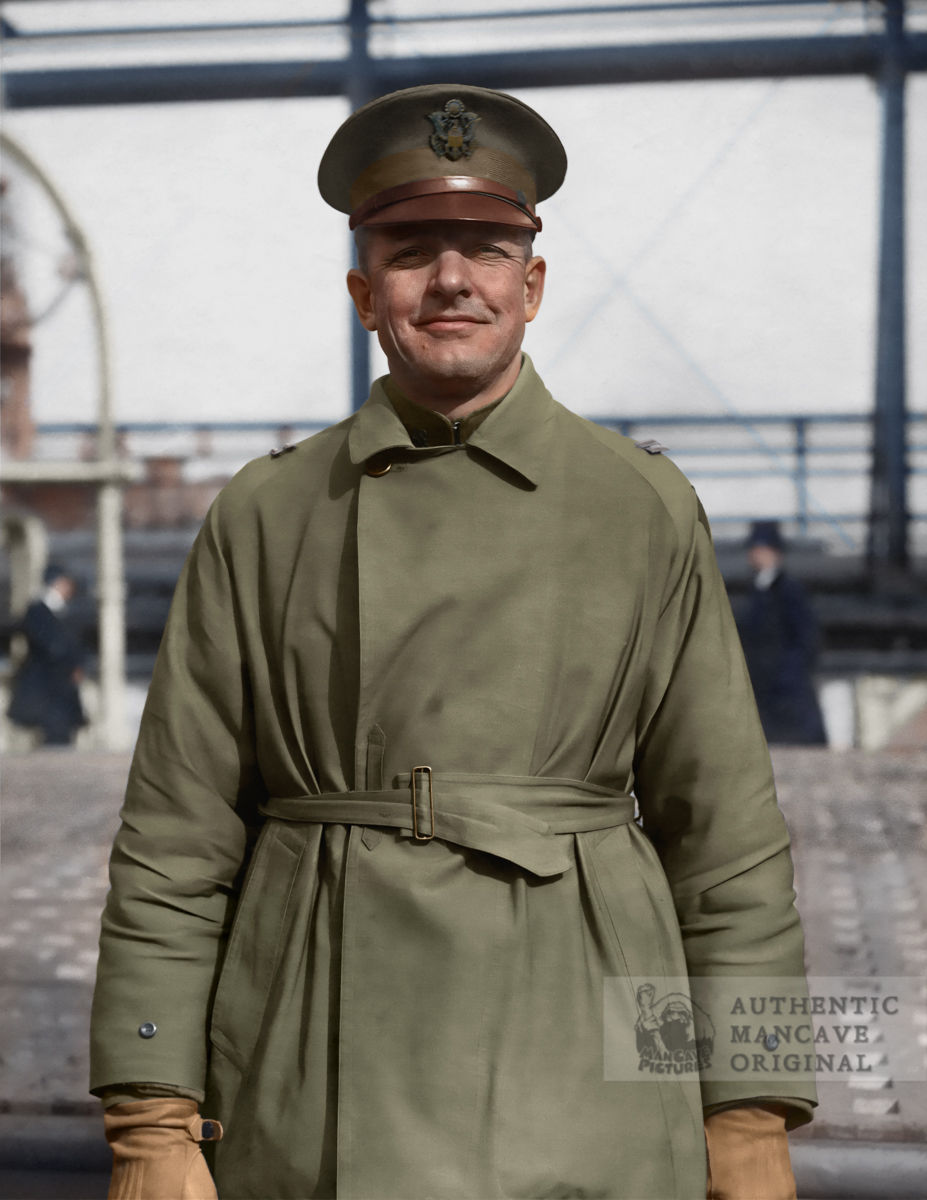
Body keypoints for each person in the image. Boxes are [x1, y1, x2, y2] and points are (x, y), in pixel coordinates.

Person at [91, 85, 815, 1200]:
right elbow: (175, 839)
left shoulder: (641, 507)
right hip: (306, 1051)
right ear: (362, 292)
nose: (451, 281)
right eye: (411, 250)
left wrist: (750, 1111)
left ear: (532, 285)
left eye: (484, 249)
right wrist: (150, 1114)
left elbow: (724, 836)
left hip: (593, 1057)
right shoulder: (266, 513)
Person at [739, 521, 828, 746]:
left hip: (788, 684)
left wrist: (791, 669)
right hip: (764, 681)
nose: (756, 556)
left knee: (799, 739)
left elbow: (805, 635)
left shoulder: (789, 590)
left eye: (761, 550)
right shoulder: (757, 590)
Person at [8, 563, 86, 746]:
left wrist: (77, 664)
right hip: (45, 684)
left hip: (59, 685)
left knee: (61, 731)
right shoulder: (37, 610)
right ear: (57, 583)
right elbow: (51, 644)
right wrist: (70, 662)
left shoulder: (62, 611)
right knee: (52, 733)